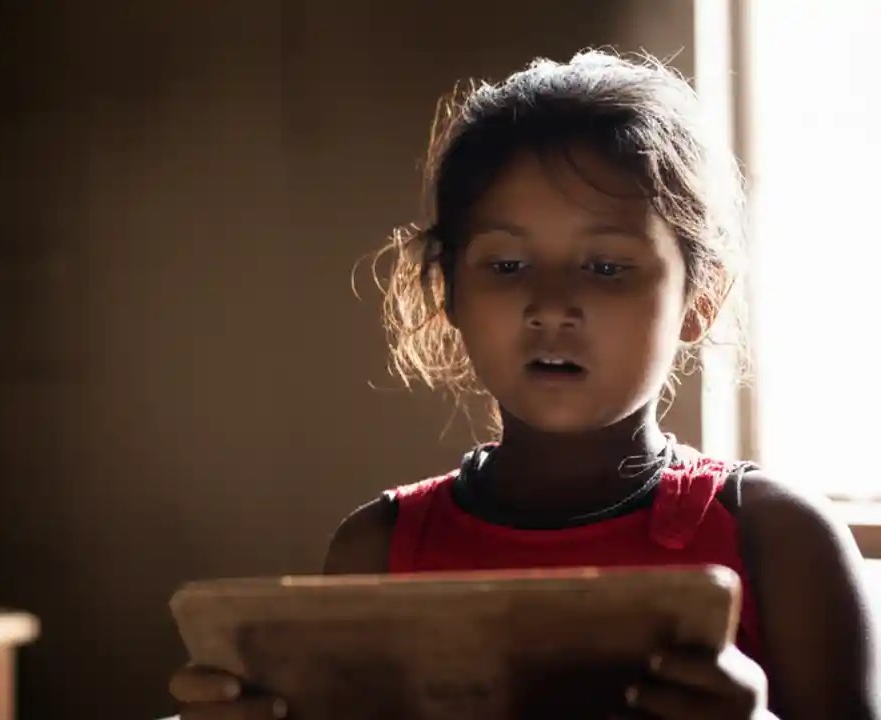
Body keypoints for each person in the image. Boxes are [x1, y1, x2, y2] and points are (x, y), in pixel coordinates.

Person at [168, 50, 878, 719]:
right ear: (448, 290)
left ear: (702, 298)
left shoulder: (780, 541)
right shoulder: (376, 552)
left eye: (606, 267)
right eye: (507, 267)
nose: (550, 305)